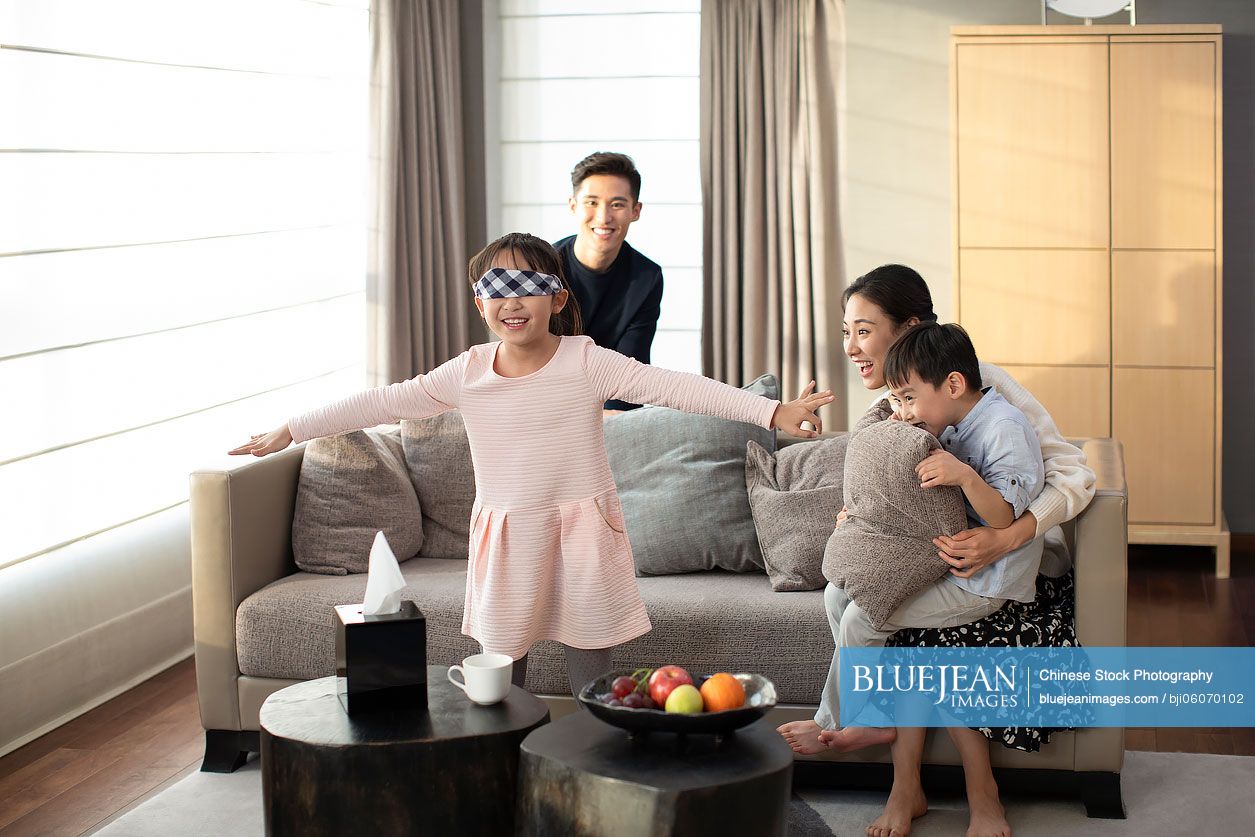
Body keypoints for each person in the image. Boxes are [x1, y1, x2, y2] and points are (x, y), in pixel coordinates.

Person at [230, 232, 834, 700]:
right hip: (508, 536)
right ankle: (503, 769)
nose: (511, 303)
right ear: (480, 303)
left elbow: (674, 387)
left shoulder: (586, 361)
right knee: (501, 672)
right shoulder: (466, 372)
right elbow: (382, 400)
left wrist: (772, 411)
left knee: (594, 672)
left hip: (582, 534)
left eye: (526, 287)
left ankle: (599, 770)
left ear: (556, 297)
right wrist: (292, 427)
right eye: (497, 289)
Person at [777, 264, 1095, 837]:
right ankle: (909, 786)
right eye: (846, 331)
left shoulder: (981, 391)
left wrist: (1009, 535)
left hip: (997, 567)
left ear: (913, 329)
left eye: (864, 330)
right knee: (856, 601)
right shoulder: (901, 402)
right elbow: (890, 483)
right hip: (936, 560)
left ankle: (948, 785)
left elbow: (1071, 473)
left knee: (895, 628)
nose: (851, 347)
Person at [553, 151, 662, 413]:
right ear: (573, 205)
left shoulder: (646, 277)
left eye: (617, 204)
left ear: (635, 211)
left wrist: (610, 418)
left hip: (614, 412)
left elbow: (632, 368)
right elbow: (530, 362)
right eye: (591, 202)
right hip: (548, 405)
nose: (603, 218)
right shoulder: (544, 268)